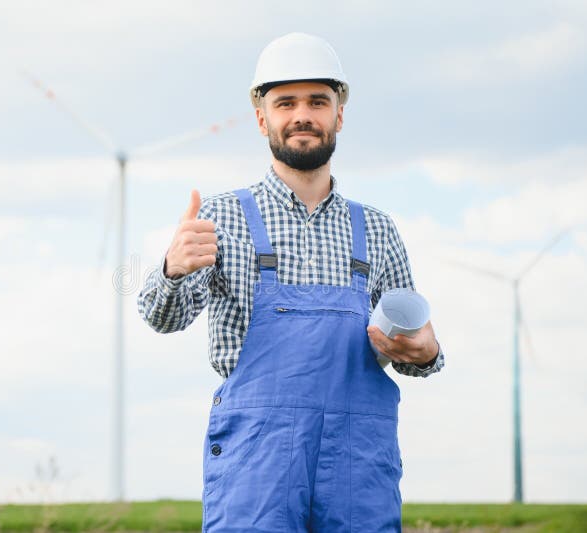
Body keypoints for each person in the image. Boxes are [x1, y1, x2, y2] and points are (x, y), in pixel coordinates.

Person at [138, 32, 444, 533]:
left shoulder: (378, 231)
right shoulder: (221, 218)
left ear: (338, 115)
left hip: (357, 467)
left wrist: (427, 352)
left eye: (317, 101)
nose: (303, 115)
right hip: (256, 466)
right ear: (263, 119)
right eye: (286, 102)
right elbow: (160, 318)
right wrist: (172, 269)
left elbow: (413, 350)